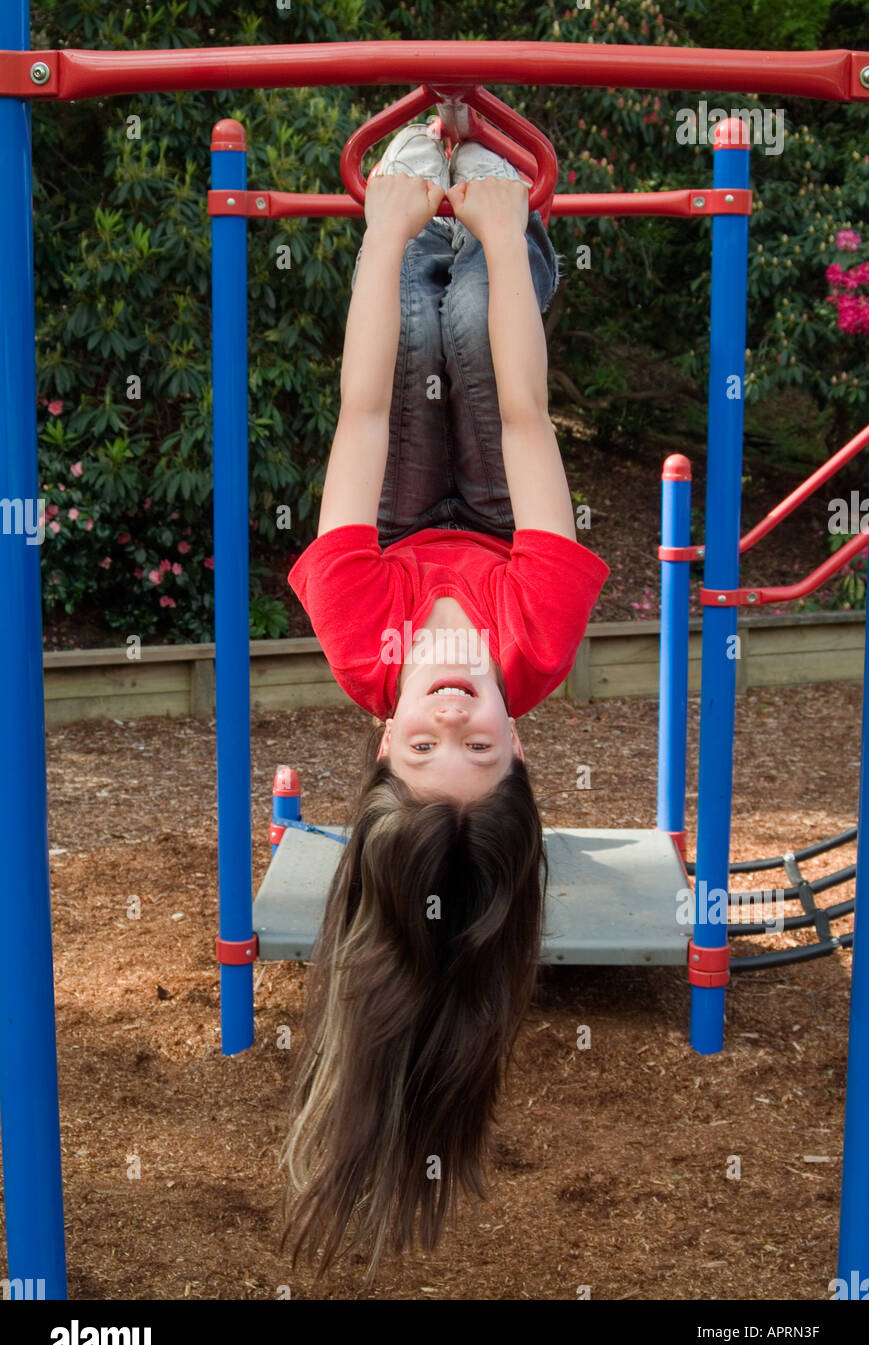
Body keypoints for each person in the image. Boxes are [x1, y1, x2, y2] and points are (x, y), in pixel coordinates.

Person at [280, 122, 609, 1277]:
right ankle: (486, 219)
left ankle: (428, 205)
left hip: (402, 499)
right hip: (501, 494)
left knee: (413, 304)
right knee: (472, 312)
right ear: (519, 748)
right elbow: (525, 423)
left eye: (426, 739)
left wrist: (380, 230)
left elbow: (360, 419)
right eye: (479, 740)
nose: (457, 701)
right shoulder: (538, 642)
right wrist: (505, 223)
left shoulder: (360, 640)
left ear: (381, 733)